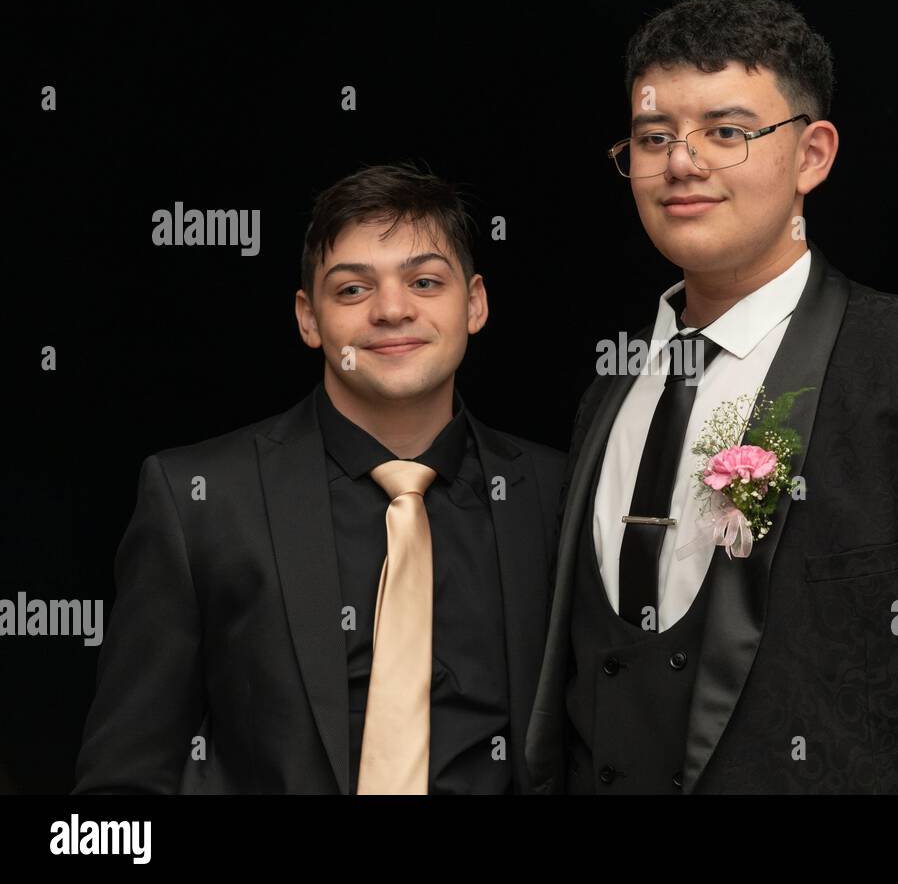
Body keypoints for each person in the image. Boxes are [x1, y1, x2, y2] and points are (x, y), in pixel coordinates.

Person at [525, 0, 898, 793]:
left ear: (813, 154)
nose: (682, 162)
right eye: (653, 136)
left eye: (727, 132)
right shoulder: (609, 390)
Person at [74, 163, 565, 793]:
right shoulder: (197, 498)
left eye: (423, 281)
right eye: (353, 290)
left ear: (474, 303)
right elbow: (122, 786)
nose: (392, 310)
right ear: (309, 318)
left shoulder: (556, 496)